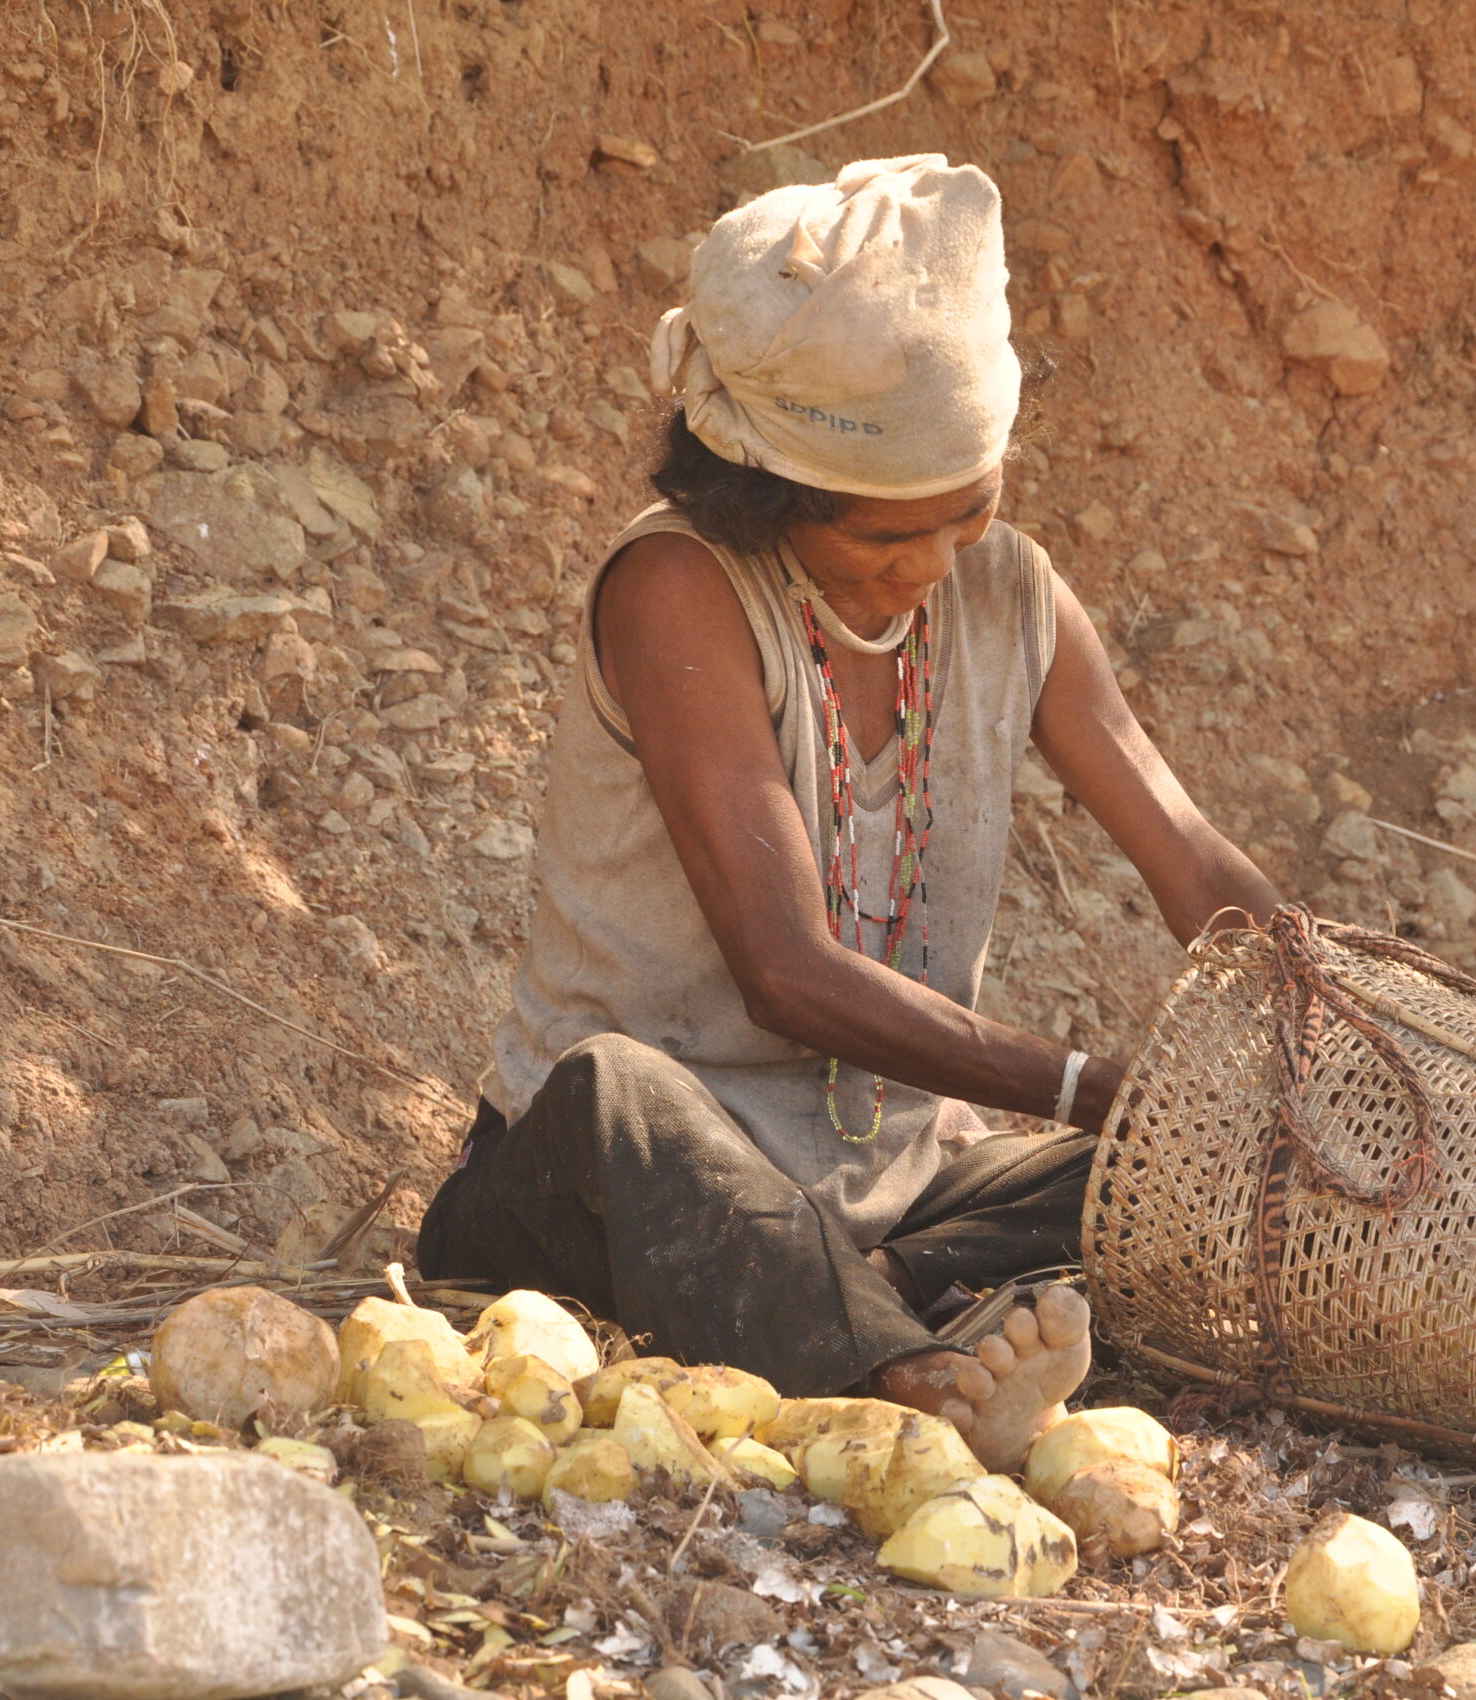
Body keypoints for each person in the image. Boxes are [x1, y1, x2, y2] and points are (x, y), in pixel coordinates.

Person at [417, 155, 1280, 1471]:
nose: (935, 567)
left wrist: (1341, 1024)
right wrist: (1078, 1085)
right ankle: (912, 1382)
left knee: (1199, 1181)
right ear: (763, 501)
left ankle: (868, 1306)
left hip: (887, 1193)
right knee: (616, 1094)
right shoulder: (680, 588)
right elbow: (784, 972)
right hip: (608, 1187)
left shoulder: (1009, 594)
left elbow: (1190, 858)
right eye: (887, 542)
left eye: (970, 516)